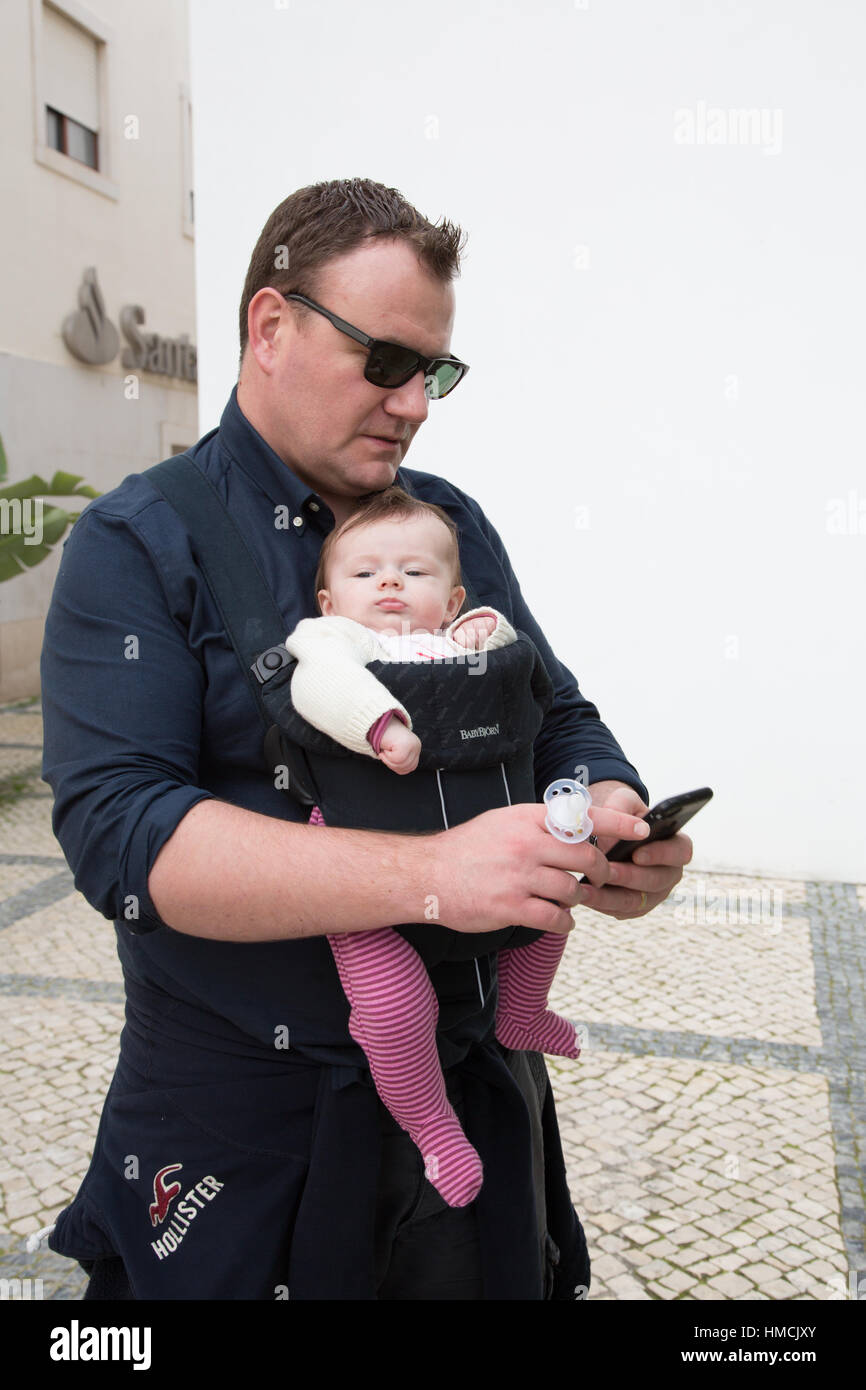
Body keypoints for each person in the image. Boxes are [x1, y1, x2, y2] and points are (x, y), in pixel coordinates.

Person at [39, 177, 692, 1301]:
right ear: (270, 325)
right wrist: (432, 876)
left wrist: (610, 807)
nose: (415, 403)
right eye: (385, 361)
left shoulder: (446, 522)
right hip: (242, 1143)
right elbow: (122, 839)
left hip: (473, 1110)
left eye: (433, 372)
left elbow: (558, 714)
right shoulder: (135, 543)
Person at [284, 484, 588, 1211]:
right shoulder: (336, 639)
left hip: (478, 833)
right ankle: (433, 1128)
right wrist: (382, 726)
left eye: (413, 573)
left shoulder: (461, 637)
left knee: (549, 898)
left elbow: (527, 676)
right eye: (365, 573)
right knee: (391, 1010)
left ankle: (522, 1006)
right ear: (330, 600)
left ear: (450, 600)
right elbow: (318, 684)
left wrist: (489, 636)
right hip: (360, 854)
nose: (389, 582)